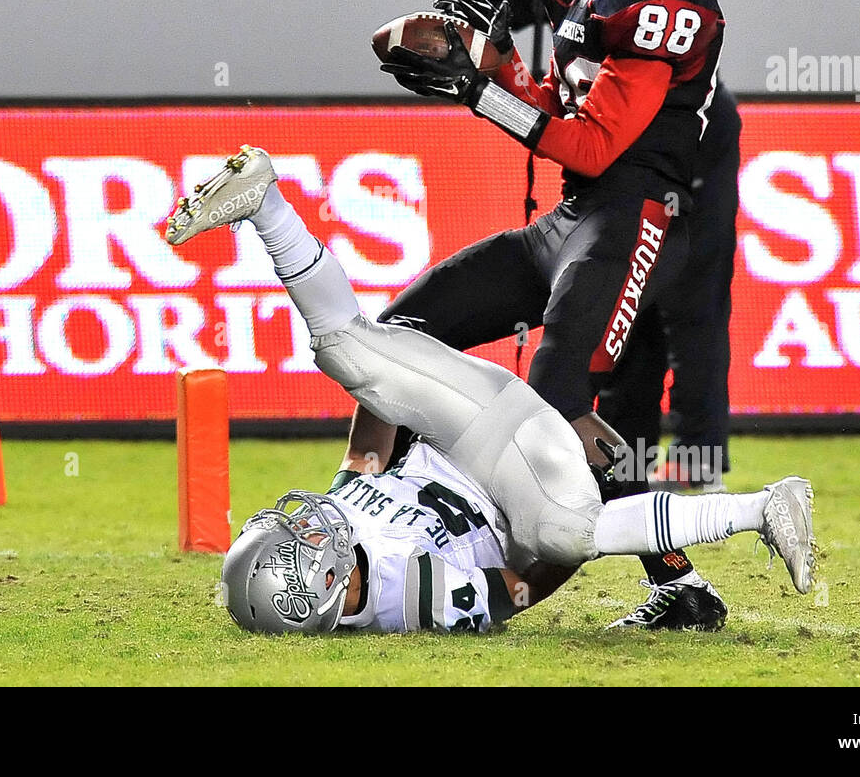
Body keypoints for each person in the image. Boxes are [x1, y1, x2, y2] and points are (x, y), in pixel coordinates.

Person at [164, 146, 816, 635]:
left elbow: (364, 453)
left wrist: (388, 380)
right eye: (299, 545)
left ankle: (266, 203)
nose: (306, 524)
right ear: (320, 588)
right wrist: (574, 521)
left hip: (466, 423)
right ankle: (765, 508)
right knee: (566, 531)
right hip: (524, 484)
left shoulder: (341, 517)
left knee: (344, 348)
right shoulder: (405, 598)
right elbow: (516, 591)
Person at [355, 0, 735, 631]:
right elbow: (556, 104)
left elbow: (596, 143)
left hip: (629, 215)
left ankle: (550, 591)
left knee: (558, 411)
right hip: (571, 214)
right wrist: (494, 65)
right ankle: (360, 497)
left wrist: (477, 93)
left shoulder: (669, 0)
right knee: (397, 333)